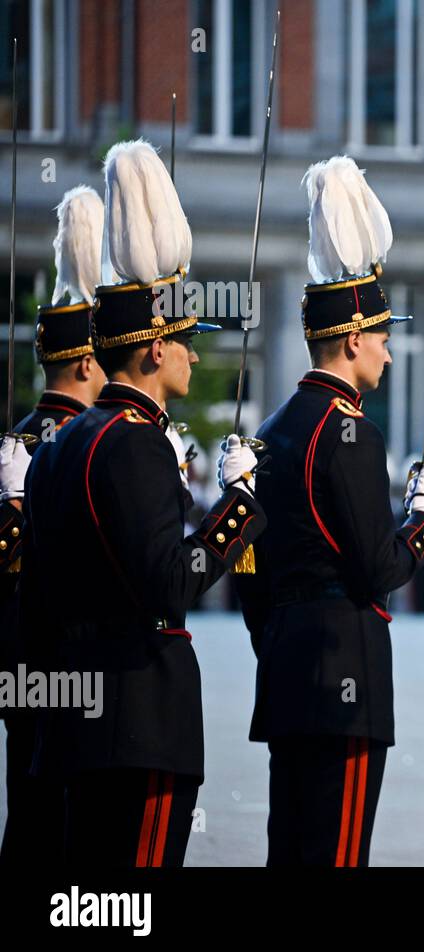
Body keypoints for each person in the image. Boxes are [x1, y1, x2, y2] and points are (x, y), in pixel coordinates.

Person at [17, 140, 264, 866]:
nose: (195, 354)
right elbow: (171, 580)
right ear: (155, 348)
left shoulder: (63, 443)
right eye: (186, 341)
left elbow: (37, 604)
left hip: (76, 721)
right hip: (139, 722)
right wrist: (238, 503)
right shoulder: (137, 443)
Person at [233, 156, 424, 867]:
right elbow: (379, 565)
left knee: (289, 852)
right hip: (343, 678)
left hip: (289, 669)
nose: (387, 348)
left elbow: (251, 578)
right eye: (382, 334)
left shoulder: (275, 429)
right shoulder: (350, 430)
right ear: (353, 338)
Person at [0, 186, 108, 865]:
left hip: (23, 673)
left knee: (29, 821)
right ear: (88, 362)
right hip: (79, 669)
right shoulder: (98, 444)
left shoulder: (17, 441)